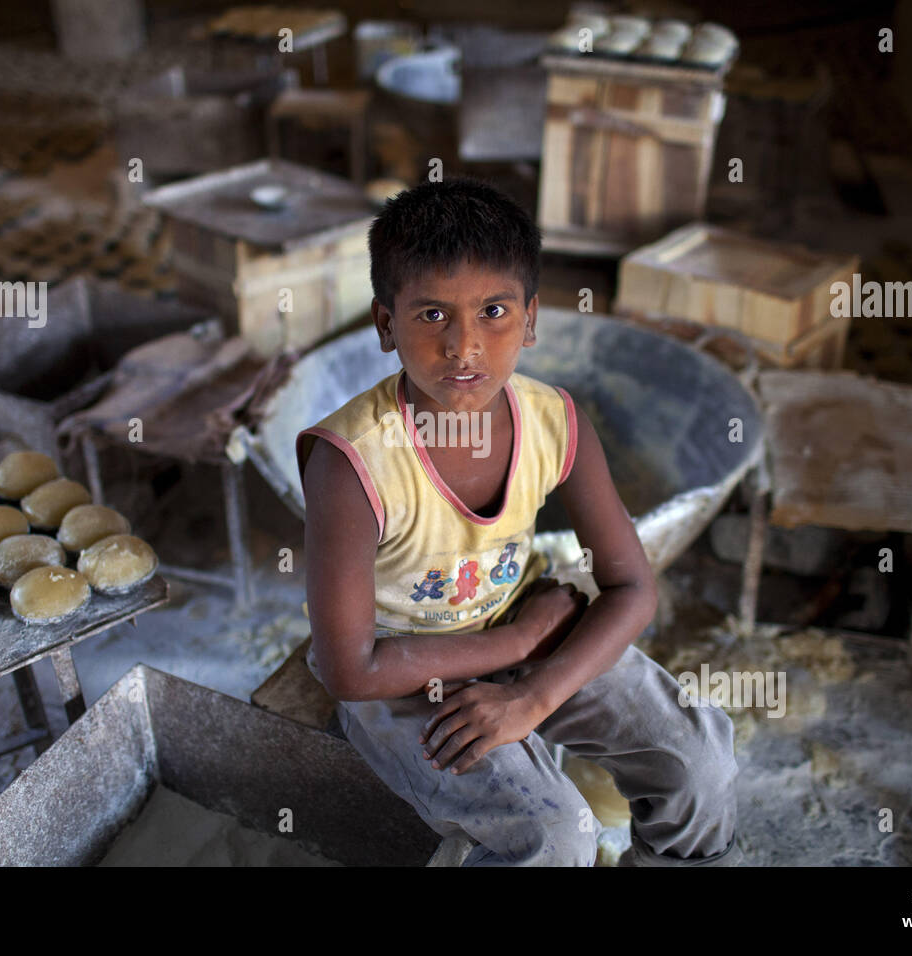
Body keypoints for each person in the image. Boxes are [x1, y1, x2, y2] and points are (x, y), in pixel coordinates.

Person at [295, 176, 740, 866]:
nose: (465, 346)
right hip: (406, 678)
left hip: (530, 638)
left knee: (700, 764)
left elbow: (631, 588)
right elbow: (349, 670)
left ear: (531, 319)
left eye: (494, 311)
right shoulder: (352, 463)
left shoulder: (554, 421)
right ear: (387, 325)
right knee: (557, 833)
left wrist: (535, 693)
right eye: (433, 315)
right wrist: (520, 642)